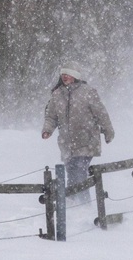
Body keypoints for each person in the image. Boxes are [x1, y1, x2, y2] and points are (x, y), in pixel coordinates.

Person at [41, 63, 115, 204]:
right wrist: (47, 130)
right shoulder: (57, 95)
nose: (65, 76)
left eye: (68, 74)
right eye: (63, 74)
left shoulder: (87, 92)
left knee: (80, 171)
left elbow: (101, 113)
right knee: (71, 172)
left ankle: (84, 203)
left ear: (75, 76)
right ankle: (72, 202)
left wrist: (108, 131)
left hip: (86, 141)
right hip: (67, 143)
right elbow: (51, 117)